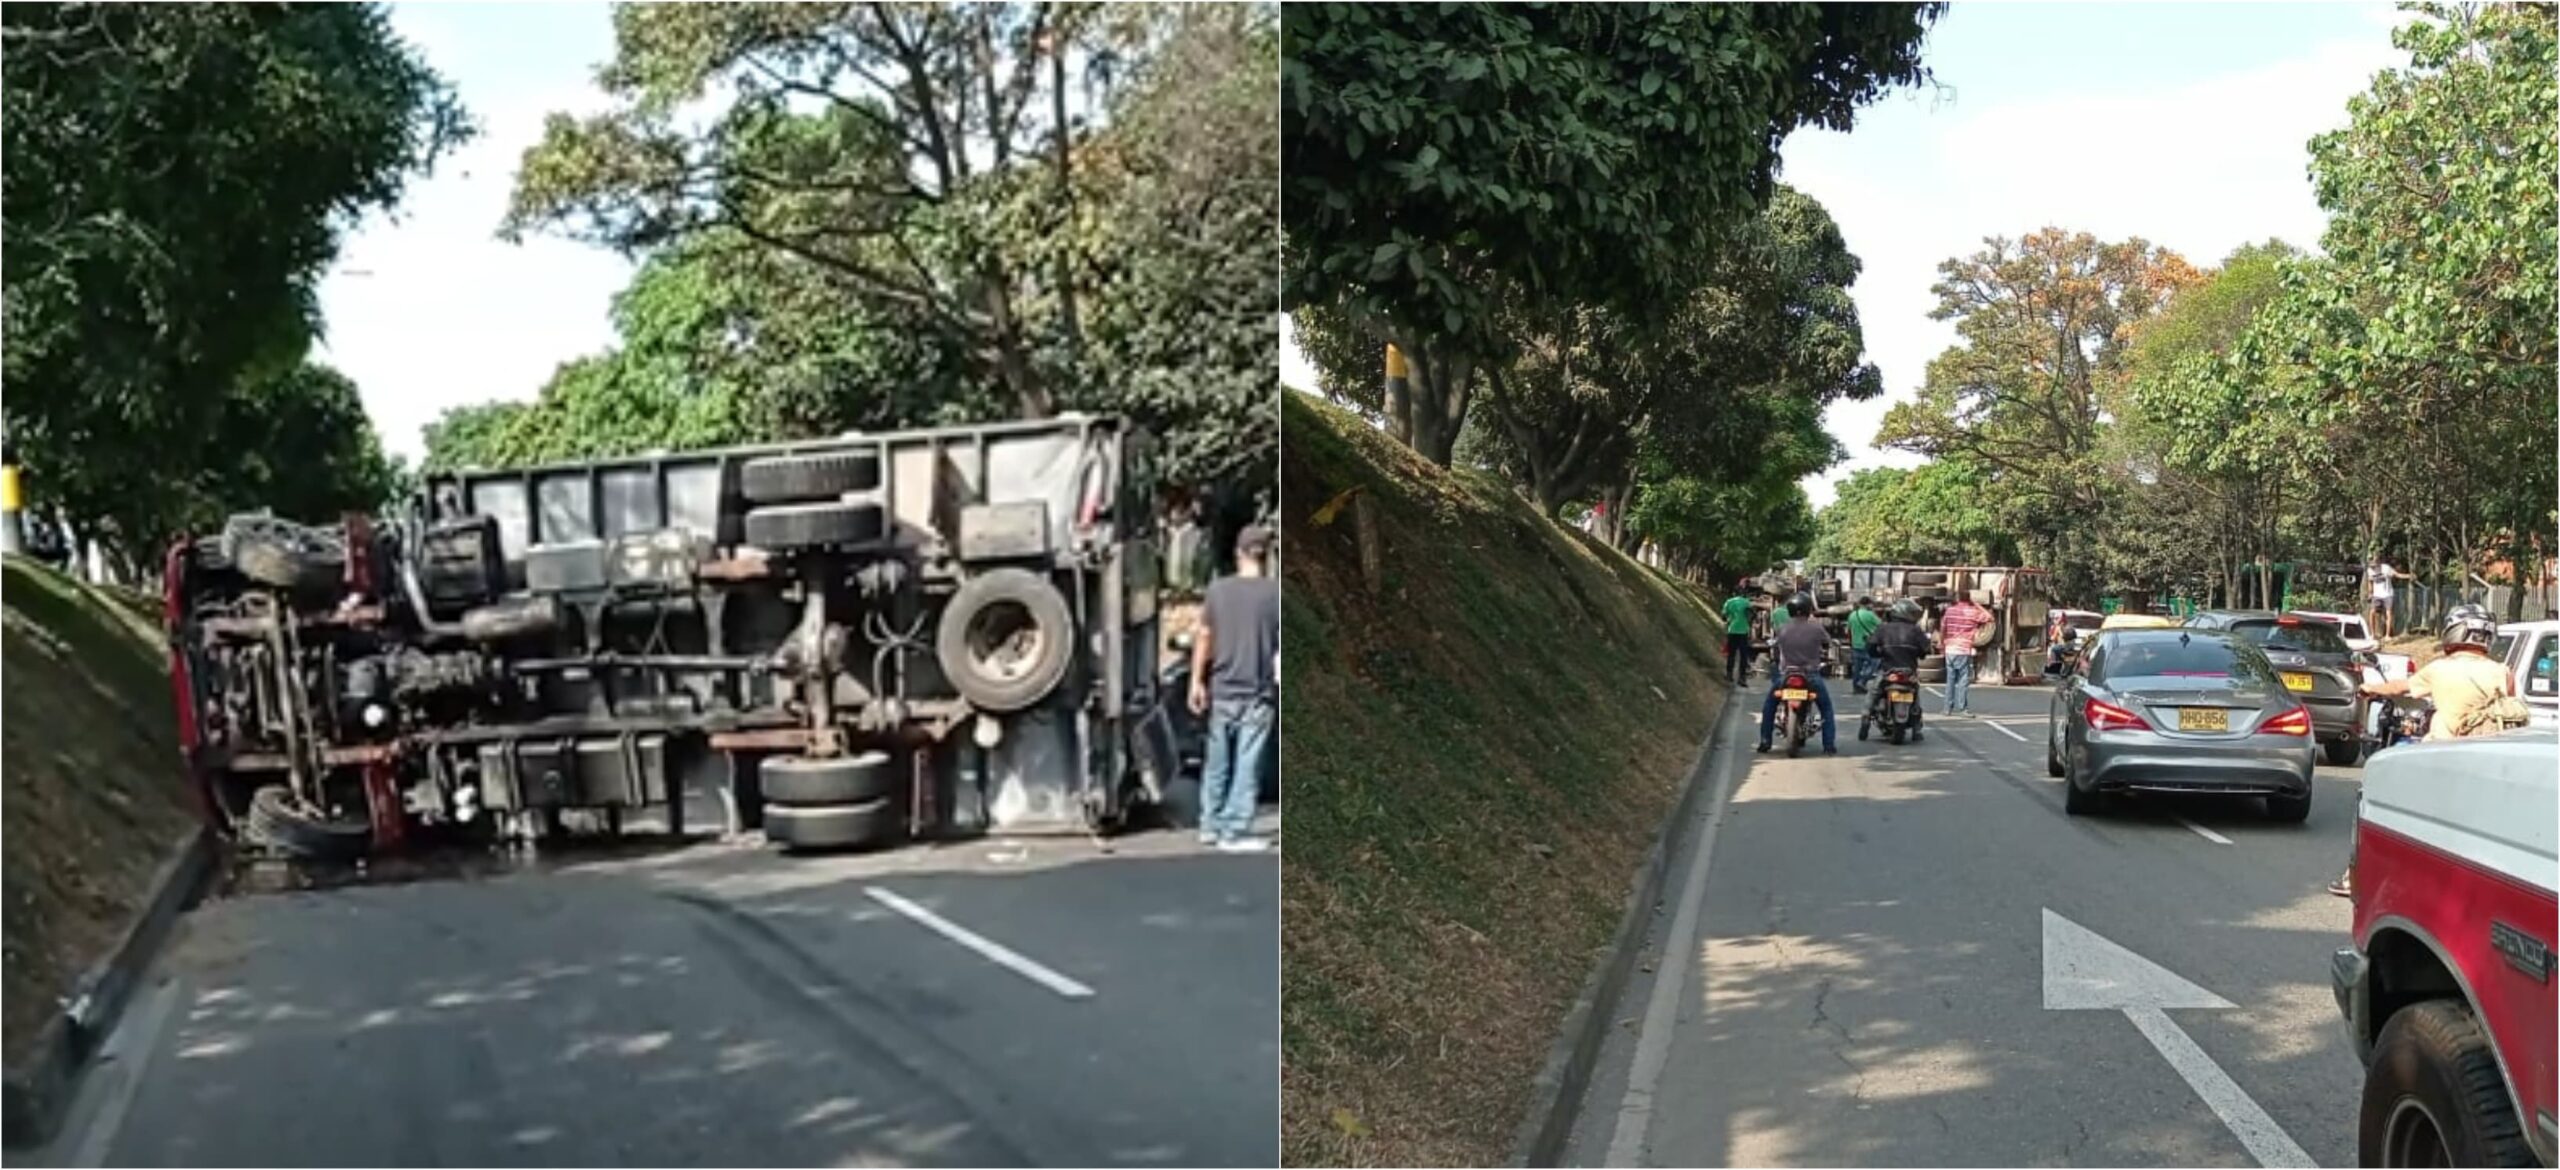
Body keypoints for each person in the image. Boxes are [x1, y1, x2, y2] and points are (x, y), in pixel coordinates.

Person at [2327, 603, 2524, 896]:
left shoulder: (2441, 669)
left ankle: (2354, 877)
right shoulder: (2502, 671)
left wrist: (2369, 689)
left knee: (2382, 807)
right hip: (2488, 760)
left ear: (2453, 631)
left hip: (2440, 757)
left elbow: (2402, 687)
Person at [1190, 525, 1279, 852]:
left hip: (1223, 688)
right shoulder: (1275, 595)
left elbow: (1204, 637)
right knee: (1247, 764)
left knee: (1217, 761)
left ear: (1238, 553)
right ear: (1266, 555)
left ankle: (1210, 824)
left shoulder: (1218, 591)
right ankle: (1235, 830)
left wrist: (1197, 681)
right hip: (1257, 692)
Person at [1757, 592, 1837, 755]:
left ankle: (1765, 741)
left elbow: (1773, 646)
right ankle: (1829, 745)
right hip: (1811, 675)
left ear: (1790, 609)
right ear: (1808, 609)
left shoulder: (1782, 629)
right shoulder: (1816, 628)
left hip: (1786, 675)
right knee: (1826, 708)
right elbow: (1829, 643)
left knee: (1769, 707)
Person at [1868, 599, 1933, 741]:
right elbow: (1926, 649)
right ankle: (1916, 729)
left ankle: (1865, 717)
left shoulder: (1883, 628)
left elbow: (1871, 646)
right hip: (1909, 672)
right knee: (1915, 693)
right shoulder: (1915, 630)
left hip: (1887, 670)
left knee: (1874, 691)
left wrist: (1878, 652)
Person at [1937, 591, 1993, 716]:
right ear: (1969, 599)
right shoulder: (1972, 612)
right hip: (1963, 649)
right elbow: (1989, 617)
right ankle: (1962, 708)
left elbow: (1943, 628)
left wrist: (1942, 644)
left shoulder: (1950, 611)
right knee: (1963, 680)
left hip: (1950, 649)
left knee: (1950, 680)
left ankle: (1947, 709)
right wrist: (1977, 605)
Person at [1721, 581, 1756, 686]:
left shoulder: (1728, 602)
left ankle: (1729, 674)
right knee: (1743, 655)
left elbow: (1723, 616)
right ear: (1742, 593)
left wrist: (1729, 619)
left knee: (1731, 654)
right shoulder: (1746, 602)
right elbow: (1752, 614)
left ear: (1733, 593)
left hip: (1732, 630)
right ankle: (1742, 678)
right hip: (1743, 631)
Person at [1846, 596, 1882, 695]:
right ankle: (1862, 681)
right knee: (1874, 663)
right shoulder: (1870, 615)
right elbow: (1881, 626)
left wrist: (1851, 642)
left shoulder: (1852, 615)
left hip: (1855, 645)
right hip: (1869, 645)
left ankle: (1856, 687)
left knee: (1857, 668)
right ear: (1868, 604)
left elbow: (1848, 631)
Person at [2366, 558, 2405, 639]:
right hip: (2377, 594)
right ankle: (2373, 634)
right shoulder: (2370, 570)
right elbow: (2370, 581)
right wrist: (2370, 593)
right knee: (2372, 612)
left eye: (2374, 566)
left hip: (2387, 594)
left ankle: (2387, 635)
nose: (2373, 568)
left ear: (2378, 564)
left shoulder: (2386, 568)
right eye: (2371, 566)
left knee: (2388, 613)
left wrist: (2408, 576)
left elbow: (2397, 574)